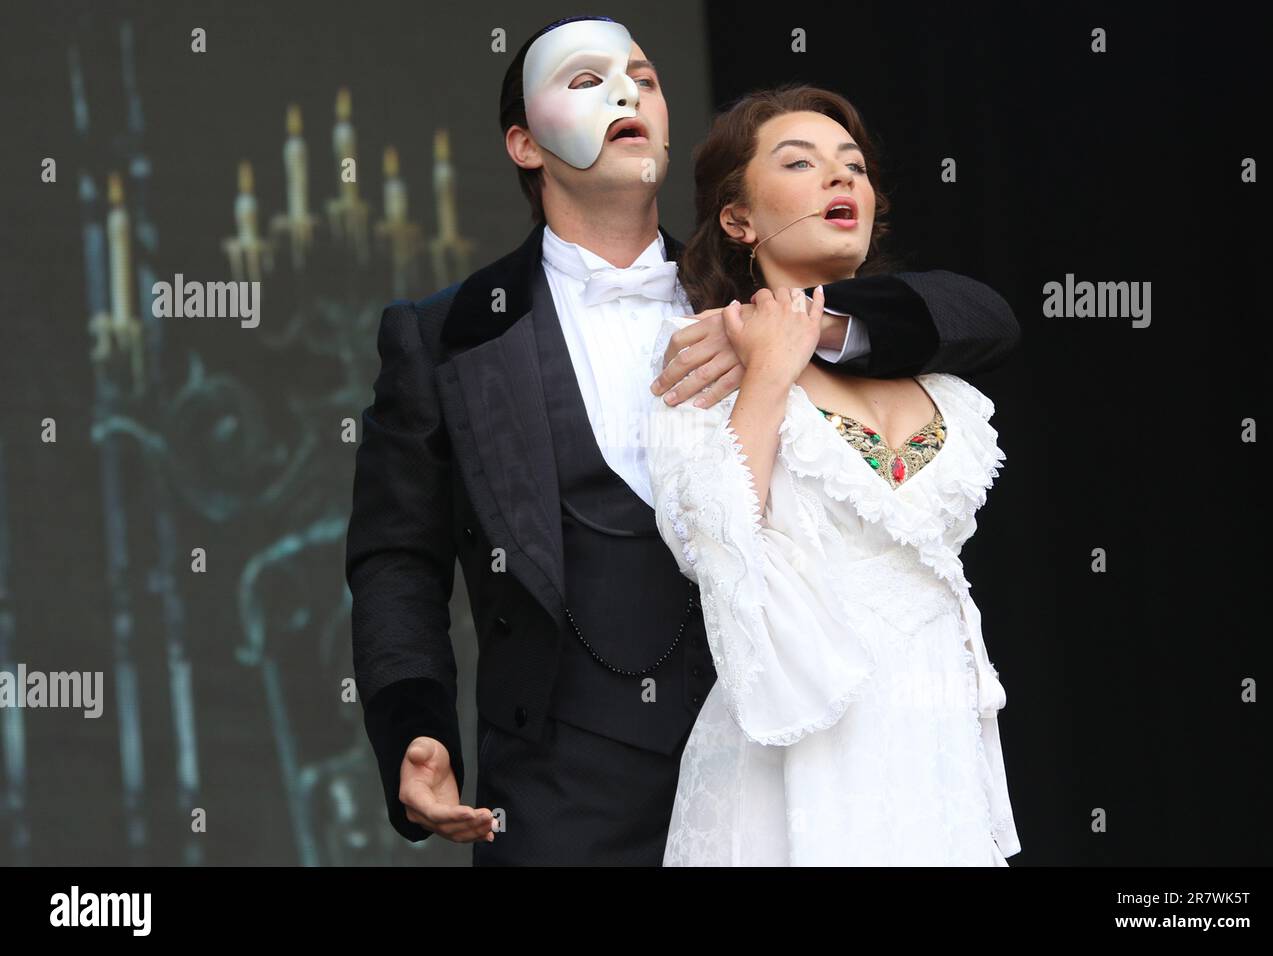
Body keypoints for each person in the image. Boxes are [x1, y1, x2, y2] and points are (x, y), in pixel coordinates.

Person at [345, 15, 1020, 865]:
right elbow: (396, 557)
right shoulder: (445, 335)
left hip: (782, 761)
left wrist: (793, 327)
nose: (628, 92)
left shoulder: (751, 296)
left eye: (646, 78)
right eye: (587, 81)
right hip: (564, 786)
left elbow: (979, 317)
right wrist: (414, 722)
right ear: (524, 143)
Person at [647, 85, 1022, 865]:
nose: (840, 178)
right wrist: (768, 371)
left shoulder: (945, 385)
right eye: (801, 162)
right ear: (738, 219)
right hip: (796, 755)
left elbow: (994, 315)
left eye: (854, 166)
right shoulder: (705, 369)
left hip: (938, 751)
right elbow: (709, 547)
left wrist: (813, 326)